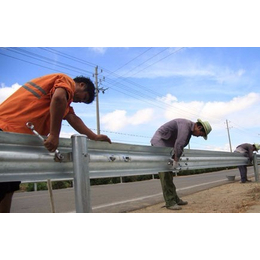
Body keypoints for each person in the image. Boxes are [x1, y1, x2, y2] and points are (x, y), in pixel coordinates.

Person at [0, 73, 111, 213]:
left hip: (16, 140)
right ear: (81, 85)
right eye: (84, 98)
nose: (79, 101)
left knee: (8, 188)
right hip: (4, 131)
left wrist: (94, 137)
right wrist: (54, 134)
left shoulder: (66, 101)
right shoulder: (65, 81)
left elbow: (73, 118)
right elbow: (58, 98)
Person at [151, 118, 212, 210]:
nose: (198, 136)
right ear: (199, 127)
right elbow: (179, 143)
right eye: (200, 134)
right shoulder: (185, 125)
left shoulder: (188, 131)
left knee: (169, 175)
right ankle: (170, 202)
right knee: (165, 174)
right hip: (159, 144)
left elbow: (181, 145)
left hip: (167, 146)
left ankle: (175, 199)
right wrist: (176, 160)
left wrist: (176, 159)